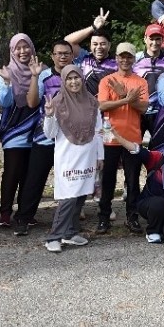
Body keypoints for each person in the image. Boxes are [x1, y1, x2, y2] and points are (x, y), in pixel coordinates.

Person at [12, 40, 76, 236]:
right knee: (34, 179)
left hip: (70, 139)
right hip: (45, 136)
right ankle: (23, 218)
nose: (62, 56)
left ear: (72, 56)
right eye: (59, 53)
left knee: (70, 180)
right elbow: (31, 103)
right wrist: (34, 77)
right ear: (52, 55)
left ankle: (69, 221)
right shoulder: (44, 75)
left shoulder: (77, 74)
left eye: (66, 53)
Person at [41, 65, 104, 252]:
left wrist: (100, 155)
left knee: (80, 195)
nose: (74, 82)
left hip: (87, 155)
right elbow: (49, 134)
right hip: (68, 157)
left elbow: (99, 131)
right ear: (63, 81)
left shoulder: (92, 102)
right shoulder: (58, 102)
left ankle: (70, 232)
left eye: (77, 78)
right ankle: (54, 236)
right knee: (68, 197)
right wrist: (50, 115)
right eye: (69, 79)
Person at [97, 42, 149, 234]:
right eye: (122, 56)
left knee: (132, 180)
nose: (125, 60)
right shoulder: (107, 80)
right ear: (116, 58)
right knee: (107, 180)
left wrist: (126, 96)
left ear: (134, 59)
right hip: (110, 136)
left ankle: (132, 217)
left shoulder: (140, 81)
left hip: (132, 137)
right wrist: (126, 99)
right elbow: (102, 106)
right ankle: (104, 217)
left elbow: (144, 108)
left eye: (129, 57)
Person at [0, 33, 41, 228]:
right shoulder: (6, 71)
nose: (22, 51)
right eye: (18, 48)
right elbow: (3, 101)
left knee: (30, 174)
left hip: (35, 128)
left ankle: (24, 212)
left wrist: (35, 77)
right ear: (12, 51)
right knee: (12, 172)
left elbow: (36, 101)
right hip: (13, 129)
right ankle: (5, 212)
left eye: (26, 47)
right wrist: (7, 82)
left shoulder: (40, 71)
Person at [134, 24, 164, 133]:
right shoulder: (135, 59)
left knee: (160, 148)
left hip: (161, 113)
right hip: (138, 112)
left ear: (163, 40)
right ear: (145, 39)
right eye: (151, 39)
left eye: (158, 39)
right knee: (134, 148)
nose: (155, 43)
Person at [64, 9, 116, 94]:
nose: (99, 47)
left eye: (102, 44)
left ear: (109, 45)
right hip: (86, 105)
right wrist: (93, 27)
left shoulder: (118, 63)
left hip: (109, 105)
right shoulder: (84, 58)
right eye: (95, 44)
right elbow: (67, 42)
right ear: (90, 46)